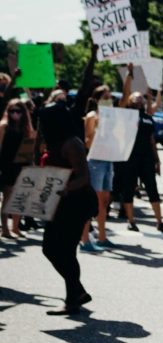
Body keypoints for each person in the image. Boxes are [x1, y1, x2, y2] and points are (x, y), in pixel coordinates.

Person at [37, 99, 98, 315]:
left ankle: (73, 298)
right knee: (50, 248)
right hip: (58, 203)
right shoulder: (53, 141)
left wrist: (66, 188)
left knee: (66, 250)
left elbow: (84, 177)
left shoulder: (72, 143)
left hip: (76, 202)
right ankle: (77, 291)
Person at [118, 91, 163, 234]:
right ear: (129, 101)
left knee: (152, 188)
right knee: (128, 188)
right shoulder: (124, 116)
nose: (138, 100)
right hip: (129, 158)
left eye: (141, 98)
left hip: (146, 158)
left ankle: (159, 221)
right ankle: (131, 221)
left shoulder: (148, 118)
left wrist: (157, 160)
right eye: (135, 98)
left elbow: (151, 140)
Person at [81, 93, 113, 251]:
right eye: (105, 96)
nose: (109, 99)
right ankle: (85, 239)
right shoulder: (92, 115)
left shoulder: (109, 117)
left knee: (105, 201)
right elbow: (88, 140)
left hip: (108, 160)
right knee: (93, 201)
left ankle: (102, 237)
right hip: (95, 161)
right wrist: (99, 125)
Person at [0, 97, 36, 239]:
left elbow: (29, 148)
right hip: (6, 165)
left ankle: (15, 226)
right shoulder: (3, 126)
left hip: (22, 165)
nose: (15, 114)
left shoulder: (26, 127)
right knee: (7, 198)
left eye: (18, 111)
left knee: (20, 198)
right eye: (12, 111)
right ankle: (5, 229)